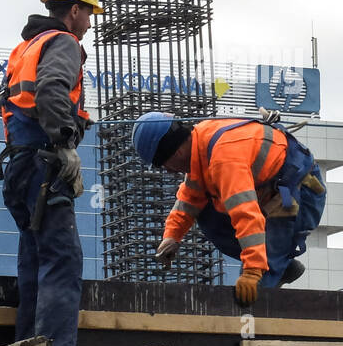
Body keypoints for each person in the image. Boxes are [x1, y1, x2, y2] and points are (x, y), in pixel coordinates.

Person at [0, 0, 103, 346]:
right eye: (89, 14)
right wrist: (63, 143)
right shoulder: (64, 42)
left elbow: (22, 102)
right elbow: (52, 91)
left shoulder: (26, 46)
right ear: (73, 11)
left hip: (20, 166)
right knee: (63, 258)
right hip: (43, 165)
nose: (90, 23)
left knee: (35, 258)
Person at [132, 111, 326, 306]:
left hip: (297, 196)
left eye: (163, 165)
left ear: (176, 153)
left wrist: (252, 271)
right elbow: (190, 196)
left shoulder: (224, 158)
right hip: (271, 194)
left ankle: (267, 276)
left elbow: (246, 215)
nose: (168, 171)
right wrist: (172, 236)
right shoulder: (199, 142)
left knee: (252, 291)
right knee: (207, 214)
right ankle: (280, 266)